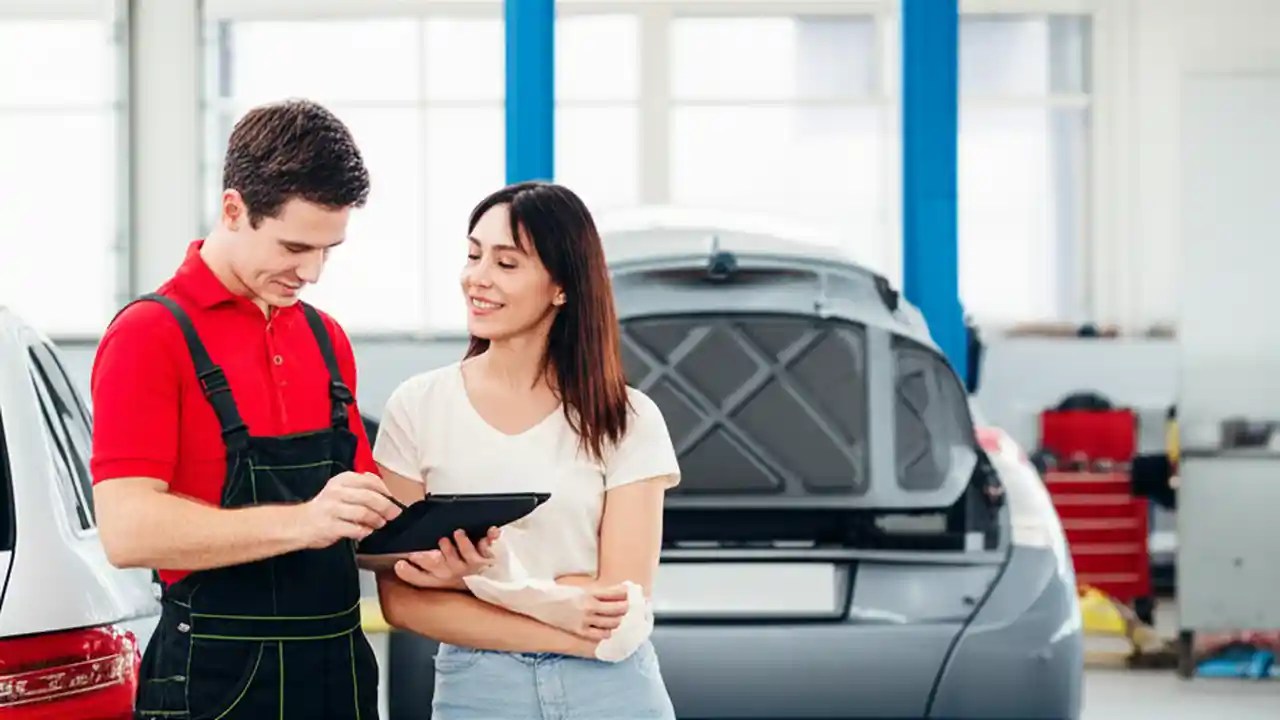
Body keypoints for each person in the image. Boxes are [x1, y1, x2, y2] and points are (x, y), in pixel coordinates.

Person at [88, 99, 481, 719]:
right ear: (233, 210)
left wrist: (434, 551)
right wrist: (304, 522)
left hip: (337, 675)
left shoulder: (327, 340)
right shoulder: (149, 336)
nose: (313, 272)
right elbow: (128, 530)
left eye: (329, 250)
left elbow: (354, 529)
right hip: (213, 681)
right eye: (295, 247)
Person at [372, 181, 682, 719]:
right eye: (474, 255)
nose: (478, 277)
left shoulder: (627, 418)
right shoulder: (417, 407)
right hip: (480, 693)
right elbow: (401, 600)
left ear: (561, 287)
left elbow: (619, 610)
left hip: (613, 696)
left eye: (506, 263)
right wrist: (565, 611)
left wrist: (470, 582)